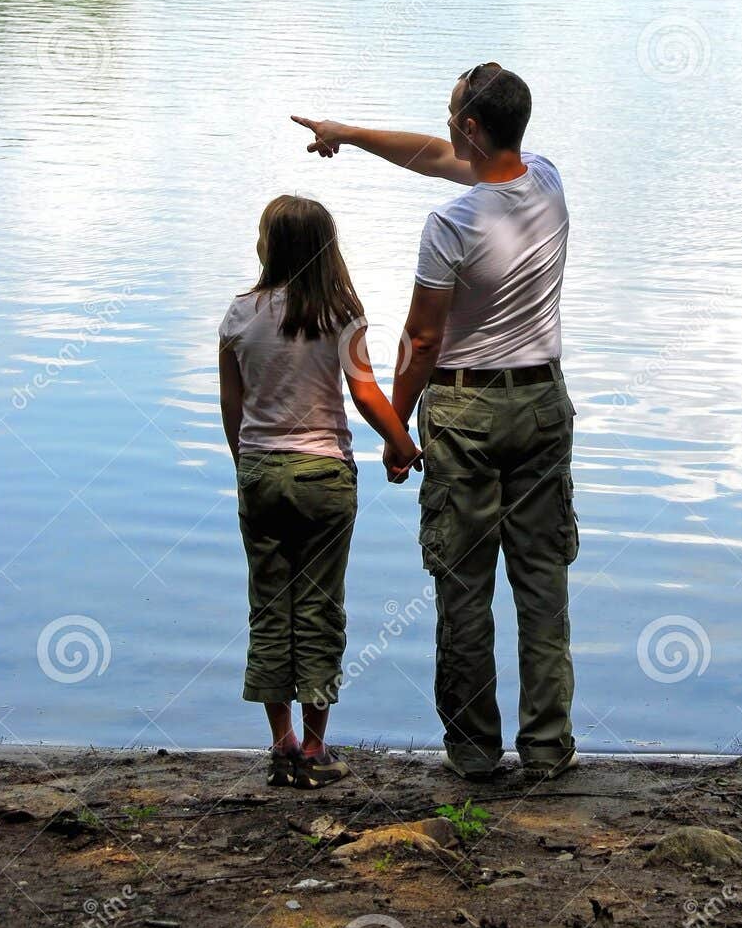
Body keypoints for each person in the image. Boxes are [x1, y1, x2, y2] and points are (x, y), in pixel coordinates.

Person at [292, 63, 577, 784]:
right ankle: (547, 751)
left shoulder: (451, 224)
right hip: (542, 403)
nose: (447, 126)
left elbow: (420, 341)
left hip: (466, 413)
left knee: (463, 585)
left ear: (473, 128)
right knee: (542, 583)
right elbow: (435, 156)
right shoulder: (544, 179)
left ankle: (475, 753)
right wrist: (348, 135)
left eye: (453, 116)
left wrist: (396, 429)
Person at [218, 194, 420, 789]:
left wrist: (246, 464)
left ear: (269, 246)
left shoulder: (237, 315)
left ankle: (279, 744)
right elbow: (364, 393)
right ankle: (314, 749)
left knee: (269, 605)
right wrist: (402, 443)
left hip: (260, 473)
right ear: (325, 250)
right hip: (325, 478)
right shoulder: (340, 313)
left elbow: (233, 407)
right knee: (319, 607)